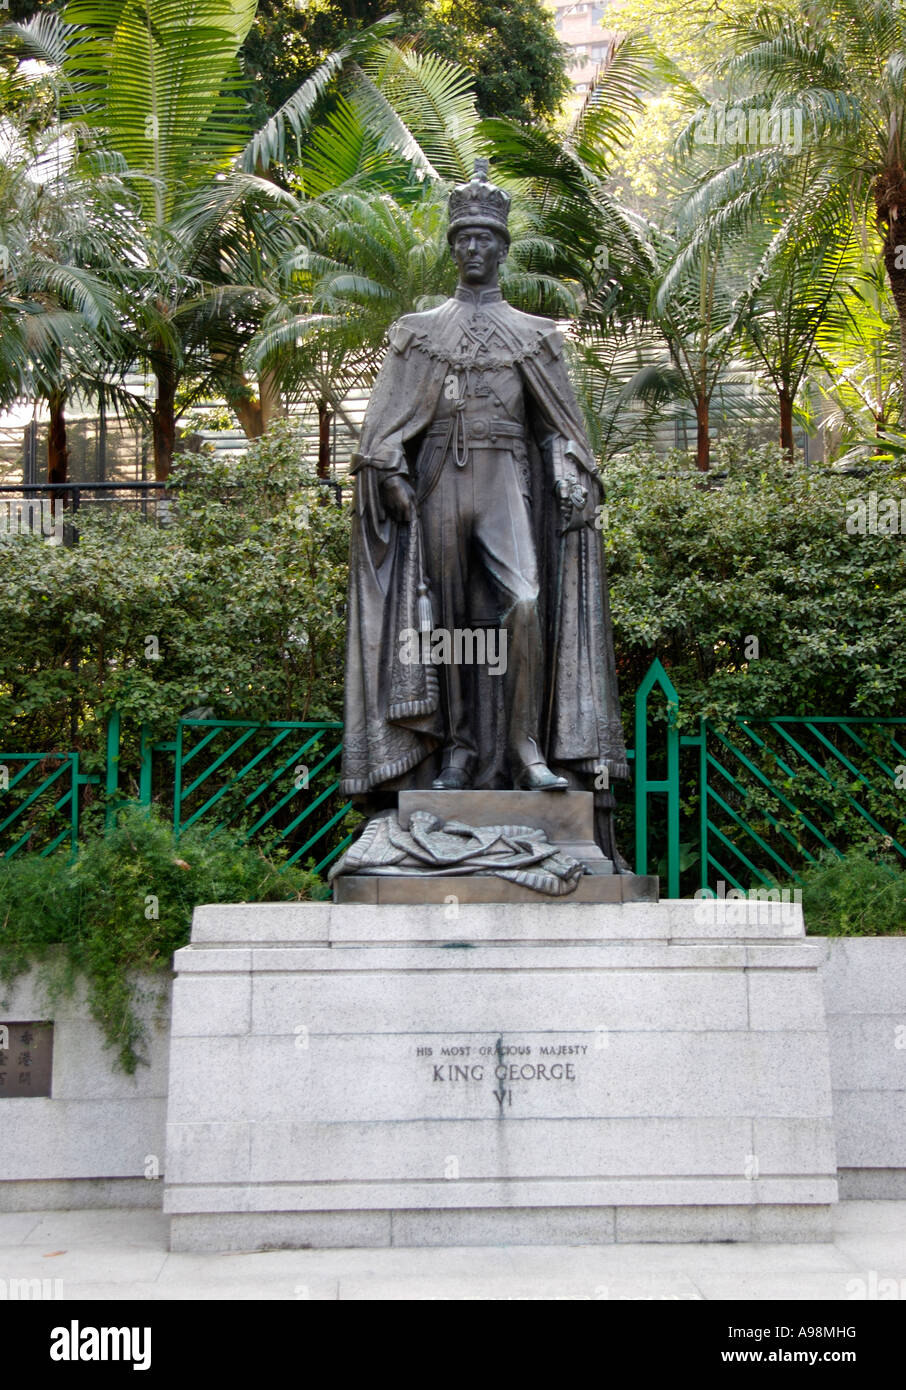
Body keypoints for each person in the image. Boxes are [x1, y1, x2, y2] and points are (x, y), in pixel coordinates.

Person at [340, 161, 629, 857]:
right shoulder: (418, 331)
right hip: (439, 481)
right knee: (449, 623)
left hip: (507, 480)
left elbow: (561, 427)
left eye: (485, 239)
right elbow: (381, 432)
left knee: (523, 601)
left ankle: (528, 747)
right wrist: (388, 476)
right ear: (453, 248)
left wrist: (568, 463)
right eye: (463, 238)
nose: (474, 249)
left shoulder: (536, 335)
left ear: (503, 249)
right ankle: (460, 752)